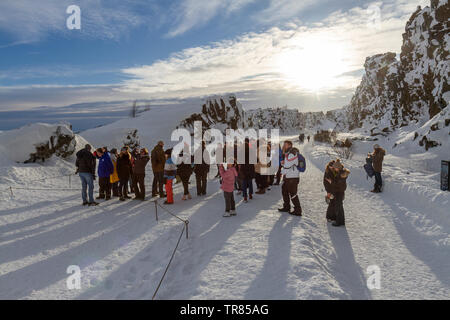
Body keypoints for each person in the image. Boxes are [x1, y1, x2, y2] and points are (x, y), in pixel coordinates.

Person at [278, 141, 302, 216]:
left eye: (285, 144)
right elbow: (288, 164)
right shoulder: (289, 153)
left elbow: (287, 166)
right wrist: (283, 163)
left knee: (293, 193)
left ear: (290, 145)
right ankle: (286, 206)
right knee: (284, 190)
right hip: (290, 176)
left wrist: (282, 171)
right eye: (284, 144)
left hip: (292, 177)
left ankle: (298, 210)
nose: (284, 146)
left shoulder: (292, 153)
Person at [323, 159, 350, 227]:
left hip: (338, 192)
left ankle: (339, 221)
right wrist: (329, 191)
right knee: (338, 206)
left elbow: (337, 183)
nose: (334, 169)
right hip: (337, 191)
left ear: (338, 167)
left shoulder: (341, 174)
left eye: (334, 168)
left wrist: (331, 182)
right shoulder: (340, 172)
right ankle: (338, 220)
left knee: (339, 207)